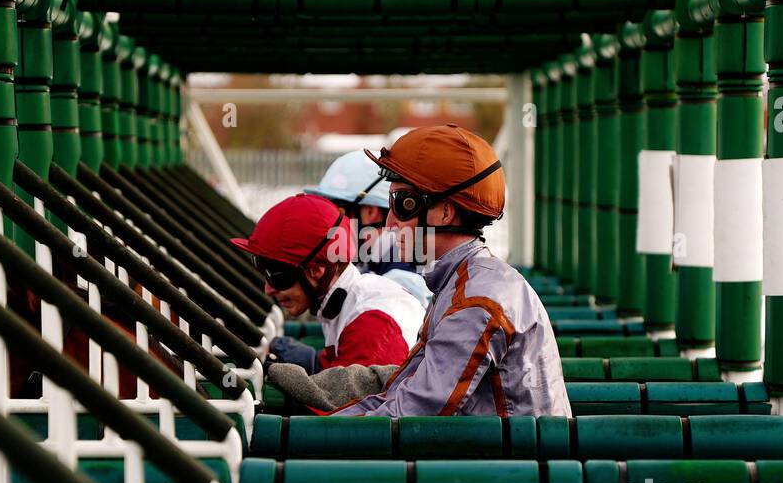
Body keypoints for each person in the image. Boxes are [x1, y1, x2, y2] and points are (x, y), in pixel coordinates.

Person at [333, 124, 571, 418]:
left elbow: (412, 414)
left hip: (510, 463)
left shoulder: (476, 300)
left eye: (402, 204)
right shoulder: (460, 282)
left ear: (445, 211)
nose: (390, 221)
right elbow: (398, 396)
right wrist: (315, 428)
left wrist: (304, 439)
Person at [232, 193, 425, 373]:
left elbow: (358, 407)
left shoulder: (371, 323)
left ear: (317, 270)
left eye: (278, 276)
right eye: (261, 270)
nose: (268, 289)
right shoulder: (350, 302)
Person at [306, 148, 432, 306]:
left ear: (371, 212)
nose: (331, 224)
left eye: (338, 211)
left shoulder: (402, 277)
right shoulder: (376, 260)